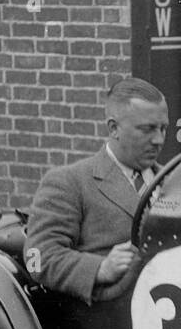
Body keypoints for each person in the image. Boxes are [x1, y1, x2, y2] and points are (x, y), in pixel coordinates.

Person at [26, 78, 167, 303]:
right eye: (147, 129)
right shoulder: (70, 181)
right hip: (113, 315)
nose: (159, 140)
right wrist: (101, 268)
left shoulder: (173, 181)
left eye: (163, 128)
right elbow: (36, 257)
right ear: (114, 129)